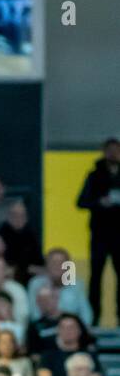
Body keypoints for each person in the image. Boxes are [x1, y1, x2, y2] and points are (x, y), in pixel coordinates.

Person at [75, 137, 120, 322]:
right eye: (110, 150)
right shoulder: (94, 176)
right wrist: (99, 203)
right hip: (100, 233)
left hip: (119, 235)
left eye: (116, 150)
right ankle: (94, 317)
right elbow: (81, 201)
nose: (113, 153)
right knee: (96, 277)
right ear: (103, 152)